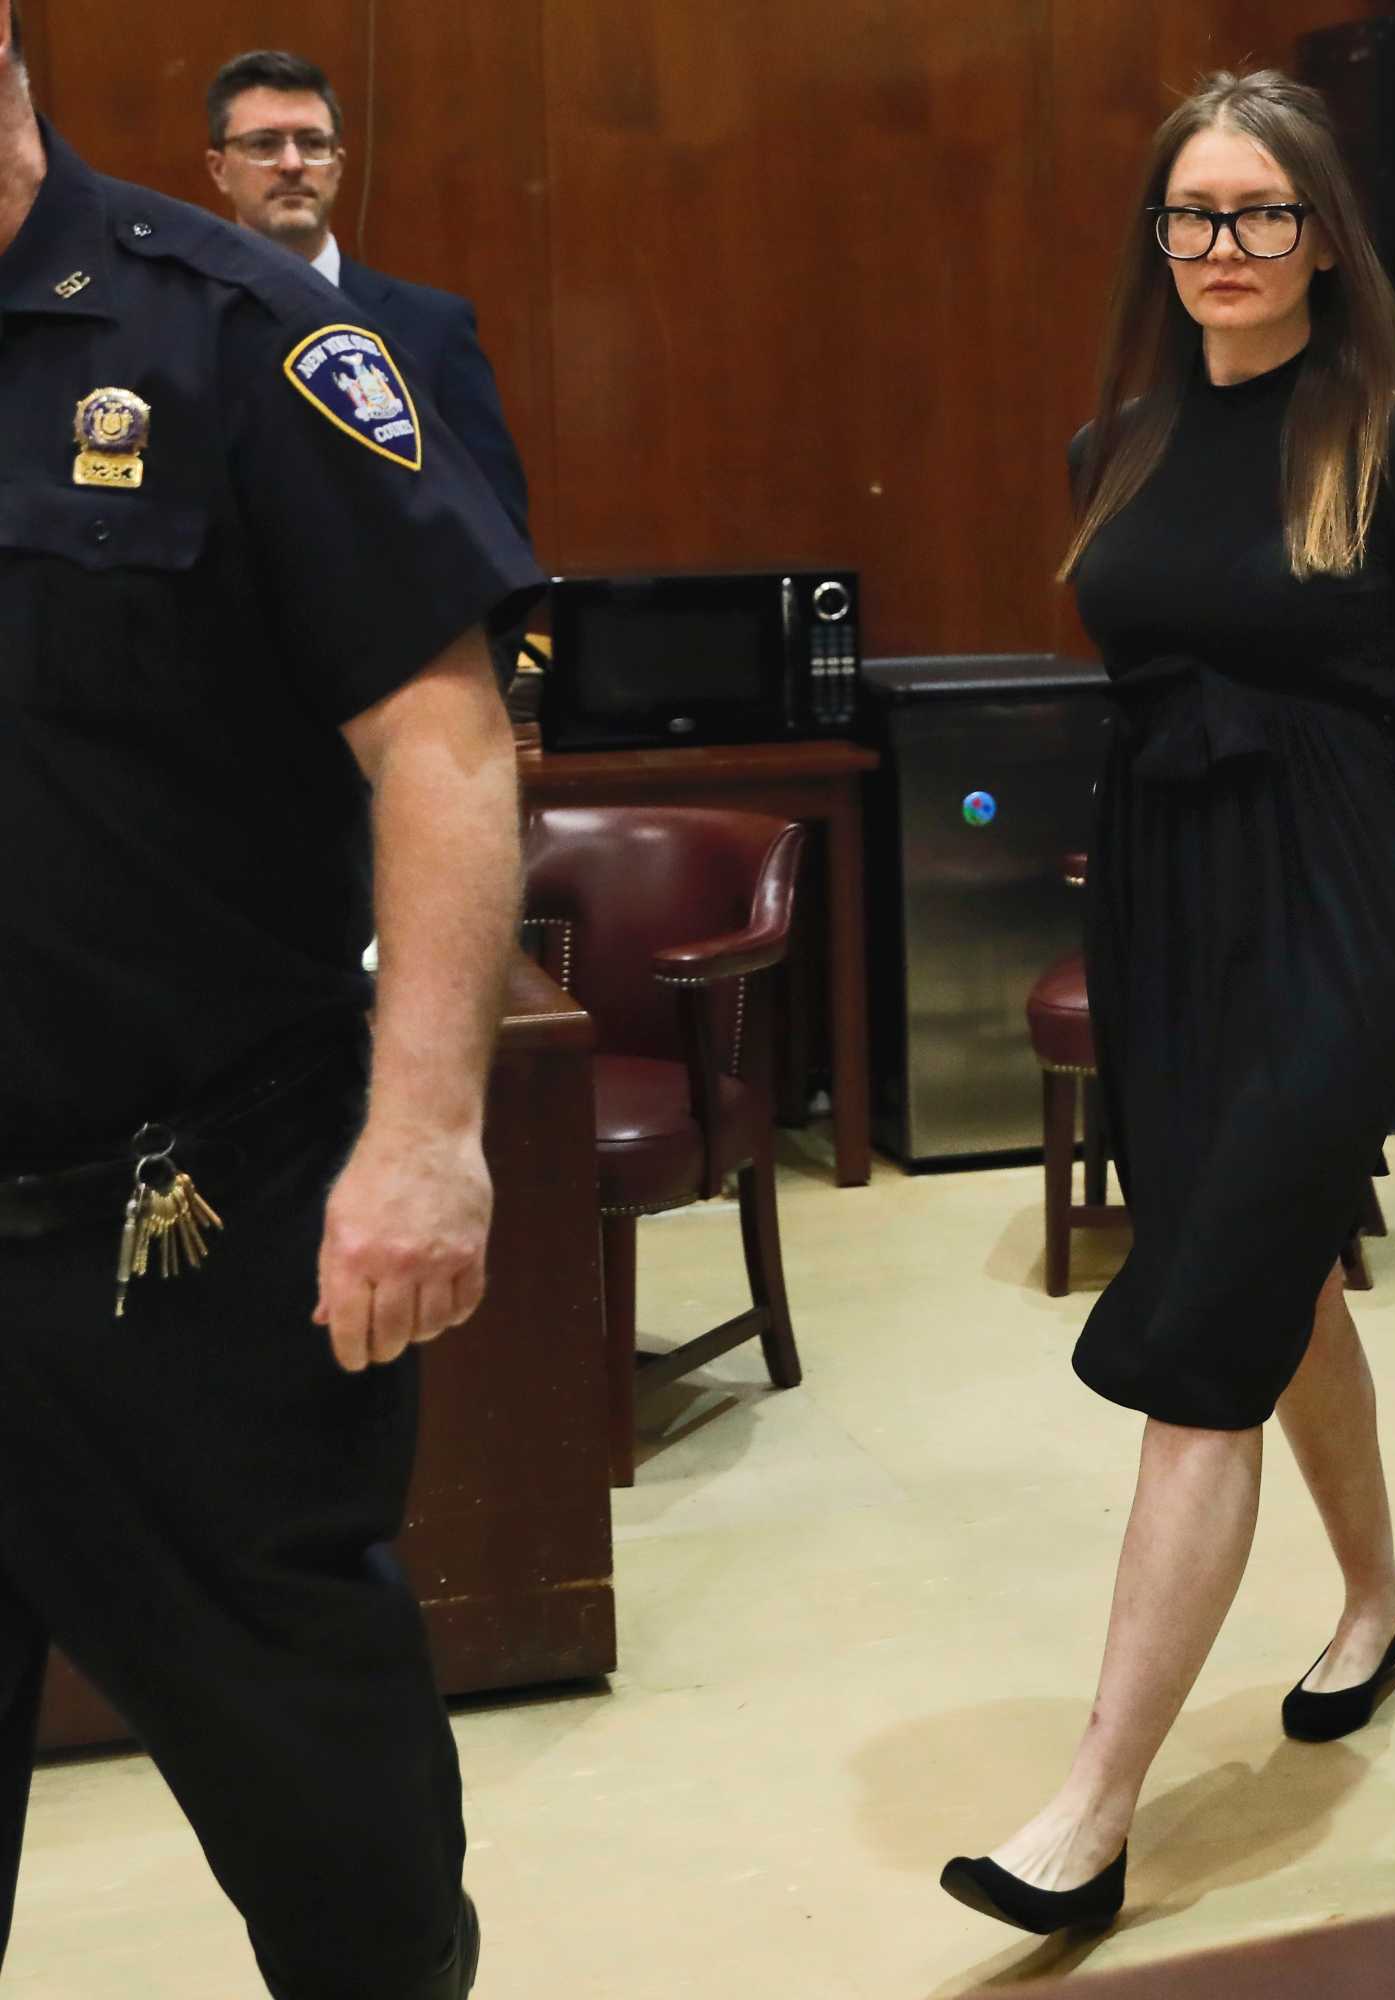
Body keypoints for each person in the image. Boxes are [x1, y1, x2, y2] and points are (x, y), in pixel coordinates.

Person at [0, 3, 540, 1993]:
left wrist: (427, 1134)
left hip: (184, 1241)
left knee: (336, 1846)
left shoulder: (234, 334)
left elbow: (446, 743)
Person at [939, 71, 1395, 1938]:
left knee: (1204, 1330)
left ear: (1325, 239)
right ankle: (1378, 1599)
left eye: (1262, 211)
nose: (1224, 245)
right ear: (1158, 240)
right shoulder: (1116, 447)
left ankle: (1089, 1814)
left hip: (1342, 902)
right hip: (1171, 898)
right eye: (1194, 213)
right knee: (1279, 1269)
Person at [204, 48, 533, 547]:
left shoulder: (434, 329)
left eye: (312, 143)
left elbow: (496, 530)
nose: (292, 164)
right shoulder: (181, 323)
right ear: (219, 169)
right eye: (263, 145)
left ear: (337, 166)